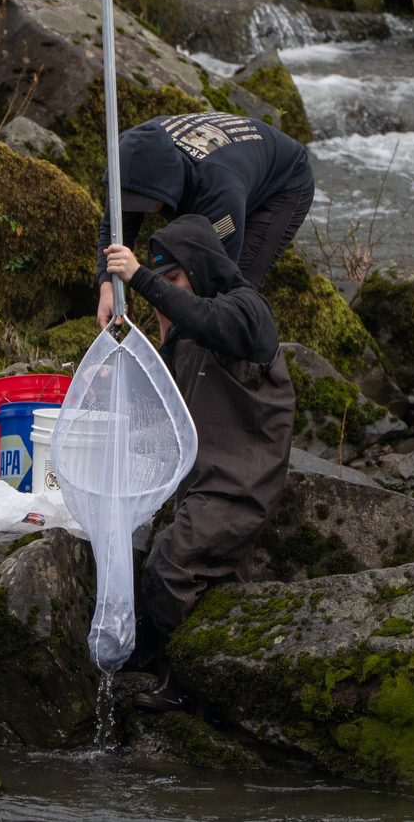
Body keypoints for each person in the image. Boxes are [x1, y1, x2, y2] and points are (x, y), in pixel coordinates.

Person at [103, 215, 295, 711]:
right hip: (198, 482)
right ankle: (211, 679)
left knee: (168, 569)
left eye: (174, 282)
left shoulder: (246, 312)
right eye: (162, 287)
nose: (167, 298)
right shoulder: (185, 340)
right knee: (198, 583)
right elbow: (156, 409)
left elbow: (207, 318)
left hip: (240, 486)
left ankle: (183, 686)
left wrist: (142, 278)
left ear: (203, 268)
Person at [95, 111, 313, 327]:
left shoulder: (219, 195)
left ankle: (226, 356)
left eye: (143, 202)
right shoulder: (131, 155)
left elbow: (218, 280)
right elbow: (115, 232)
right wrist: (108, 286)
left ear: (167, 183)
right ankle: (173, 356)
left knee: (234, 294)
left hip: (284, 183)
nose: (135, 208)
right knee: (169, 279)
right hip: (235, 166)